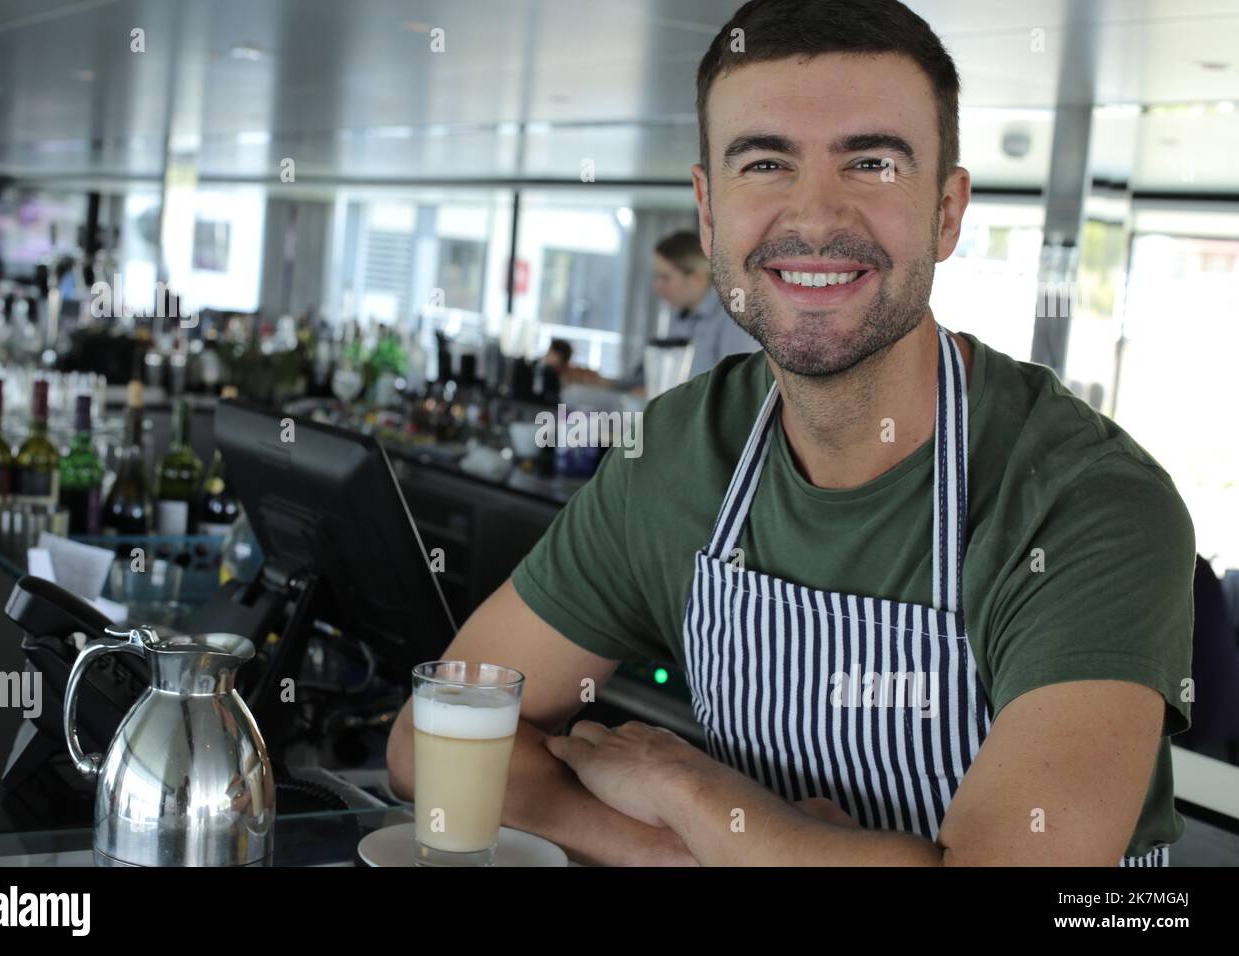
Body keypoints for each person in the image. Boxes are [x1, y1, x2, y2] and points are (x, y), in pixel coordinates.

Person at [387, 0, 1193, 866]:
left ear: (948, 212)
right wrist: (682, 849)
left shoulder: (1088, 504)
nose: (815, 215)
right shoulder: (676, 452)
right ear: (708, 211)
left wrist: (689, 790)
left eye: (873, 163)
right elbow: (433, 743)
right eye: (765, 162)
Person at [652, 231, 760, 379]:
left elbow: (738, 384)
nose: (657, 286)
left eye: (665, 277)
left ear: (697, 277)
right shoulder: (680, 316)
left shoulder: (735, 313)